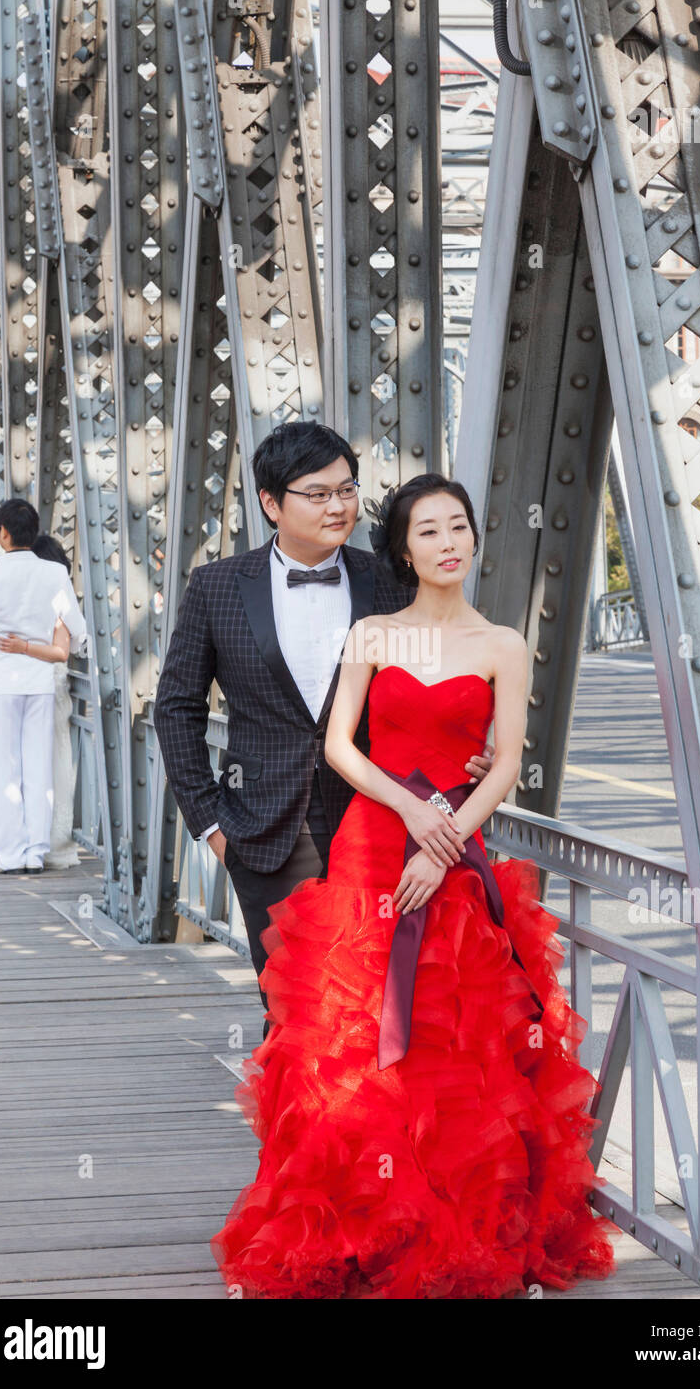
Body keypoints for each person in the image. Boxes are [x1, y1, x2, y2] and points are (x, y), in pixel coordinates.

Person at [209, 473, 620, 1299]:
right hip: (373, 841)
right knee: (350, 1034)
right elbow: (340, 747)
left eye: (459, 527)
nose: (448, 543)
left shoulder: (503, 643)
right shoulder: (372, 634)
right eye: (428, 531)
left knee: (454, 1036)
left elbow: (504, 764)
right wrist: (409, 808)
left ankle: (448, 1224)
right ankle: (364, 1218)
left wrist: (444, 842)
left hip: (455, 854)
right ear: (403, 549)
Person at [152, 422, 493, 1039]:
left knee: (379, 1008)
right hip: (261, 832)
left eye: (347, 489)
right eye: (317, 493)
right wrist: (210, 825)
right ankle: (292, 1137)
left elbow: (457, 666)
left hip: (382, 826)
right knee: (293, 1009)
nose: (338, 506)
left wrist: (480, 743)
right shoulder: (218, 587)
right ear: (270, 502)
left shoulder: (392, 579)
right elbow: (176, 707)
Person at [0, 503, 88, 874]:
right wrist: (77, 649)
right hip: (40, 683)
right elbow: (76, 627)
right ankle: (36, 851)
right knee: (37, 767)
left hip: (1, 684)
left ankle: (11, 855)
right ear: (34, 532)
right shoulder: (53, 574)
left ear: (2, 533)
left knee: (4, 771)